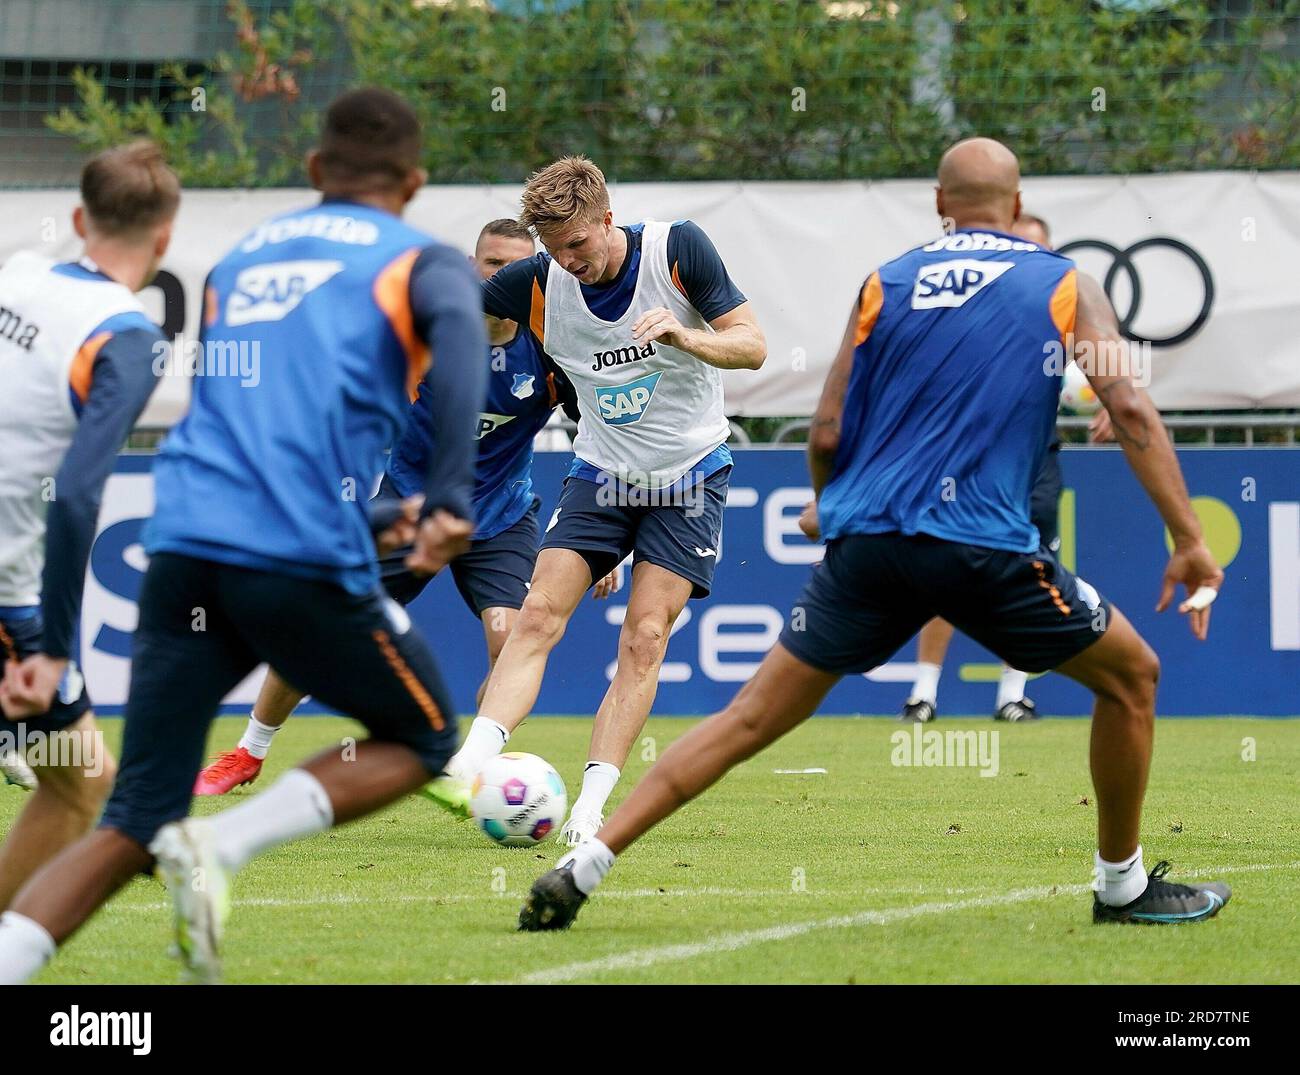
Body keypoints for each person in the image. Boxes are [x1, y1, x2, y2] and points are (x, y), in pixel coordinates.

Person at [518, 137, 1229, 931]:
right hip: (984, 544)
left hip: (871, 546)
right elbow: (1128, 408)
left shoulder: (884, 284)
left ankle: (583, 864)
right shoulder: (1062, 280)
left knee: (748, 719)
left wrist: (832, 509)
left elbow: (825, 432)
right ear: (1020, 206)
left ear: (937, 204)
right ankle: (1122, 883)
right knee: (1132, 677)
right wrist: (1189, 538)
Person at [0, 87, 488, 984]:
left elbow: (257, 443)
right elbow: (462, 348)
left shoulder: (240, 261)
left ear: (312, 172)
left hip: (182, 547)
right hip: (293, 554)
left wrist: (379, 516)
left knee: (131, 810)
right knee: (421, 737)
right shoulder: (426, 261)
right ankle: (223, 845)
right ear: (414, 182)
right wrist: (450, 498)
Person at [192, 218, 617, 797]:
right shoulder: (426, 338)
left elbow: (598, 430)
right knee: (320, 624)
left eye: (520, 265)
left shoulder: (552, 345)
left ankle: (470, 769)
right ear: (473, 267)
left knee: (510, 633)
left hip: (501, 515)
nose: (506, 276)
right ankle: (249, 751)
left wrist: (602, 540)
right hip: (410, 506)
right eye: (494, 263)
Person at [427, 156, 766, 847]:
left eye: (577, 243)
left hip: (688, 474)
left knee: (644, 636)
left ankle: (590, 807)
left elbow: (753, 346)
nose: (568, 261)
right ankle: (467, 766)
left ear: (607, 219)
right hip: (603, 473)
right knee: (539, 613)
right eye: (553, 249)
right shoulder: (534, 283)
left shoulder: (678, 251)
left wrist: (685, 334)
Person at [0, 141, 176, 911]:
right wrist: (50, 651)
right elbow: (76, 494)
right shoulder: (128, 337)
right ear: (164, 239)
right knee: (80, 787)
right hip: (9, 600)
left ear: (77, 218)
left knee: (80, 775)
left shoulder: (15, 272)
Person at [899, 211, 1060, 724]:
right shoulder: (972, 302)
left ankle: (1012, 695)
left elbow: (1096, 368)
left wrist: (1108, 398)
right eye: (1021, 245)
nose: (1029, 257)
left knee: (1032, 574)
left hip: (1033, 464)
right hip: (963, 460)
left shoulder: (1062, 298)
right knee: (950, 573)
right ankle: (923, 693)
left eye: (1039, 249)